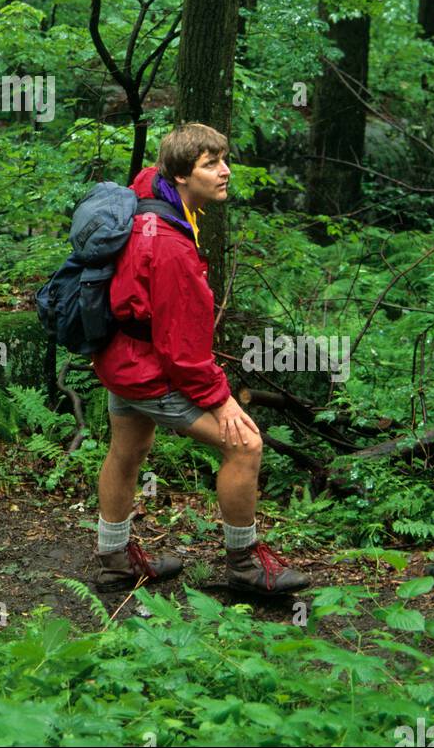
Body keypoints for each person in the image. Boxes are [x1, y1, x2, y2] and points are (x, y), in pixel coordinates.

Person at [92, 122, 311, 598]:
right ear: (182, 176)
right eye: (210, 164)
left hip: (119, 355)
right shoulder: (171, 250)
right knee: (245, 444)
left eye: (223, 159)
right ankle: (244, 566)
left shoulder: (150, 191)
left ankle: (113, 561)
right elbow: (182, 353)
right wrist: (223, 400)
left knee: (127, 449)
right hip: (146, 369)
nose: (225, 171)